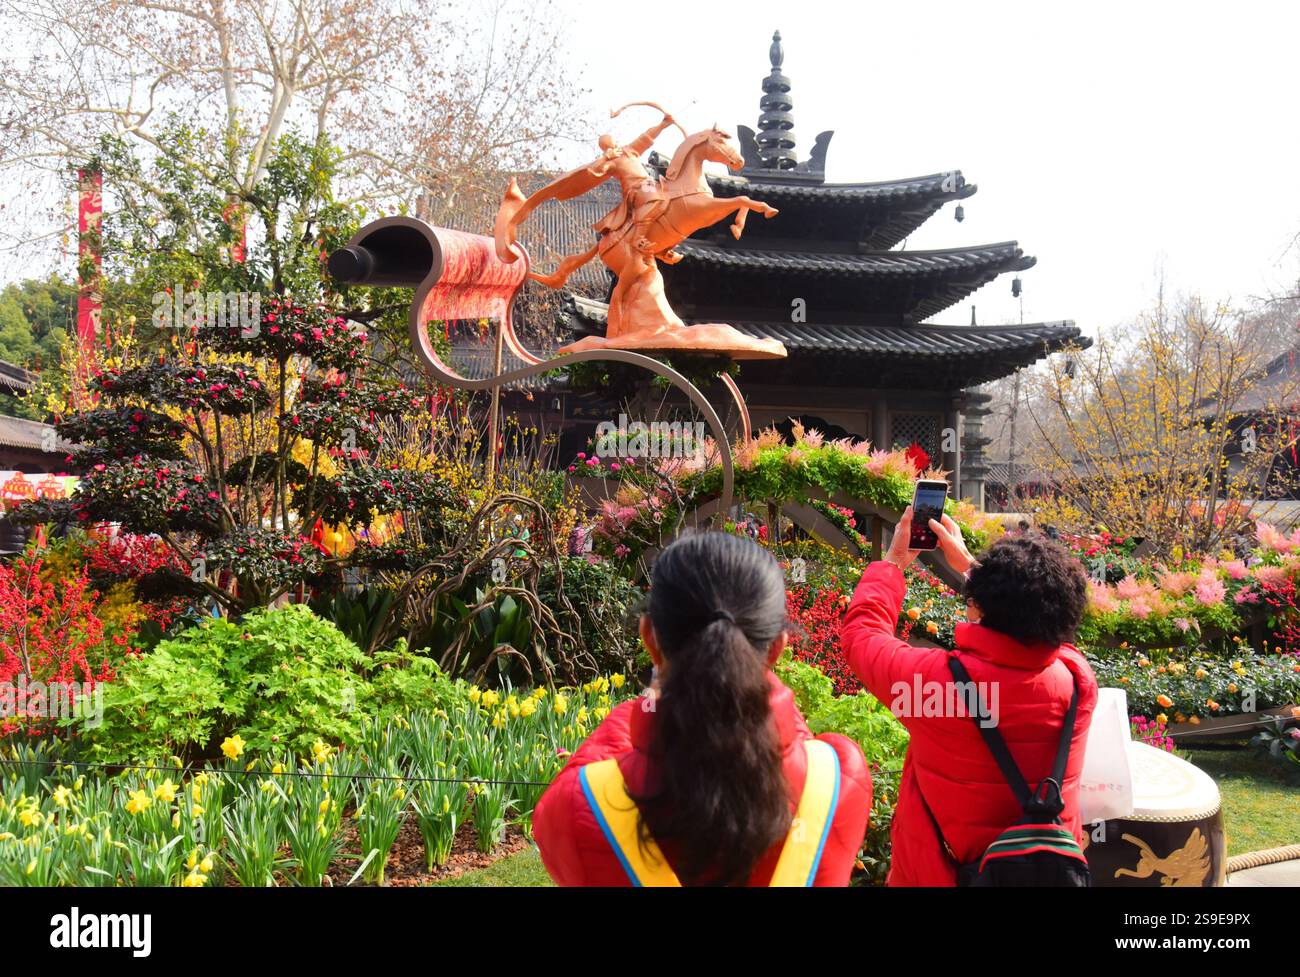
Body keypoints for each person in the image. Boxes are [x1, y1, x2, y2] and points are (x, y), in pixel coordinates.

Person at [533, 531, 871, 886]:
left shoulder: (579, 809)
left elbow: (585, 783)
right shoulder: (837, 781)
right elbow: (791, 745)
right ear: (778, 648)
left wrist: (647, 706)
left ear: (649, 636)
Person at [840, 507, 1097, 886]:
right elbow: (1041, 613)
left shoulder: (936, 688)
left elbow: (861, 636)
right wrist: (975, 571)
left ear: (977, 605)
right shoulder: (1077, 681)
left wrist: (894, 562)